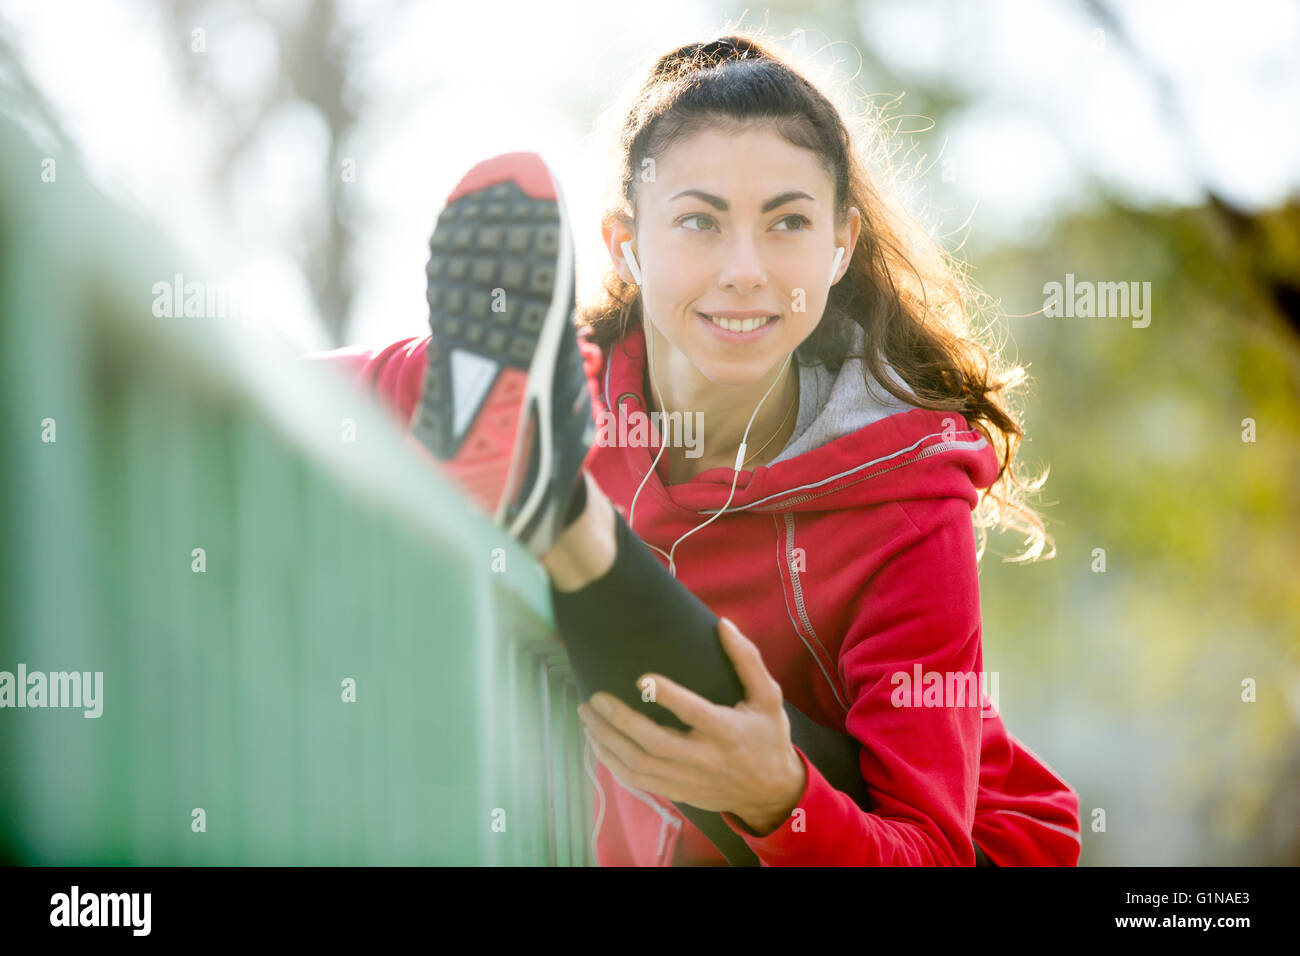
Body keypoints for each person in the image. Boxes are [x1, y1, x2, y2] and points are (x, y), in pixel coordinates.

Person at [304, 33, 1082, 866]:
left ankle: (571, 526)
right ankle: (571, 525)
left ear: (840, 245)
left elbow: (930, 843)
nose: (745, 269)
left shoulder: (907, 493)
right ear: (624, 243)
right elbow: (270, 391)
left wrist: (776, 795)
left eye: (787, 222)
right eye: (698, 222)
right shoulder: (532, 391)